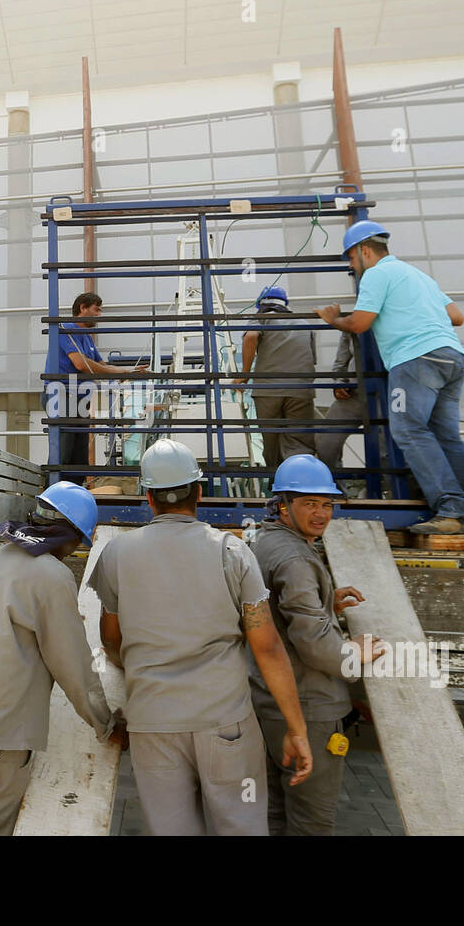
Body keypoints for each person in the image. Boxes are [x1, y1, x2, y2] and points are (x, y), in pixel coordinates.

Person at [89, 438, 314, 836]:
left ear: (148, 498)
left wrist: (144, 664)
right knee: (242, 826)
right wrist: (297, 730)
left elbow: (111, 641)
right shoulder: (231, 551)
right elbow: (268, 648)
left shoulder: (117, 554)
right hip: (224, 724)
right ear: (199, 491)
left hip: (153, 725)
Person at [0, 481, 126, 835]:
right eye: (78, 543)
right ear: (69, 533)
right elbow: (71, 664)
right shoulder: (51, 575)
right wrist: (105, 724)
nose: (75, 551)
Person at [247, 454, 386, 835]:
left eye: (326, 504)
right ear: (281, 506)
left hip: (266, 702)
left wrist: (325, 601)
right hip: (308, 708)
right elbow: (313, 643)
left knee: (273, 815)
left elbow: (277, 612)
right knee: (311, 822)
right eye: (309, 503)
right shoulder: (295, 557)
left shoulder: (265, 544)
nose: (321, 513)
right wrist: (353, 653)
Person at [317, 220, 464, 535]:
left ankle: (452, 509)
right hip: (452, 357)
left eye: (351, 258)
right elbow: (457, 316)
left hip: (415, 359)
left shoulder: (376, 275)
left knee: (408, 431)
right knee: (447, 437)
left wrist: (333, 319)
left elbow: (360, 323)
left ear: (364, 250)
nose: (352, 266)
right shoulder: (419, 276)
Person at [43, 291, 147, 474]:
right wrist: (119, 372)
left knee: (79, 454)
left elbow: (100, 365)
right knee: (63, 451)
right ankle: (51, 492)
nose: (99, 315)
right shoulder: (65, 329)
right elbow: (81, 363)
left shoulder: (86, 338)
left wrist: (127, 371)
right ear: (82, 308)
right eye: (96, 310)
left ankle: (73, 491)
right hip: (61, 395)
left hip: (79, 398)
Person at [232, 285, 317, 468]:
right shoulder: (304, 323)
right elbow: (311, 360)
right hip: (300, 391)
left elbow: (251, 337)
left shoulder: (260, 318)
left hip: (268, 391)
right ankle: (299, 484)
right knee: (298, 442)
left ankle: (276, 481)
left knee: (271, 441)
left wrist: (244, 374)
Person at [314, 329, 369, 494]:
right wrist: (339, 382)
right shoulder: (352, 325)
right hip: (353, 395)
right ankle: (336, 494)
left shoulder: (394, 319)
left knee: (385, 451)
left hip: (385, 394)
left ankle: (388, 495)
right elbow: (340, 362)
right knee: (325, 444)